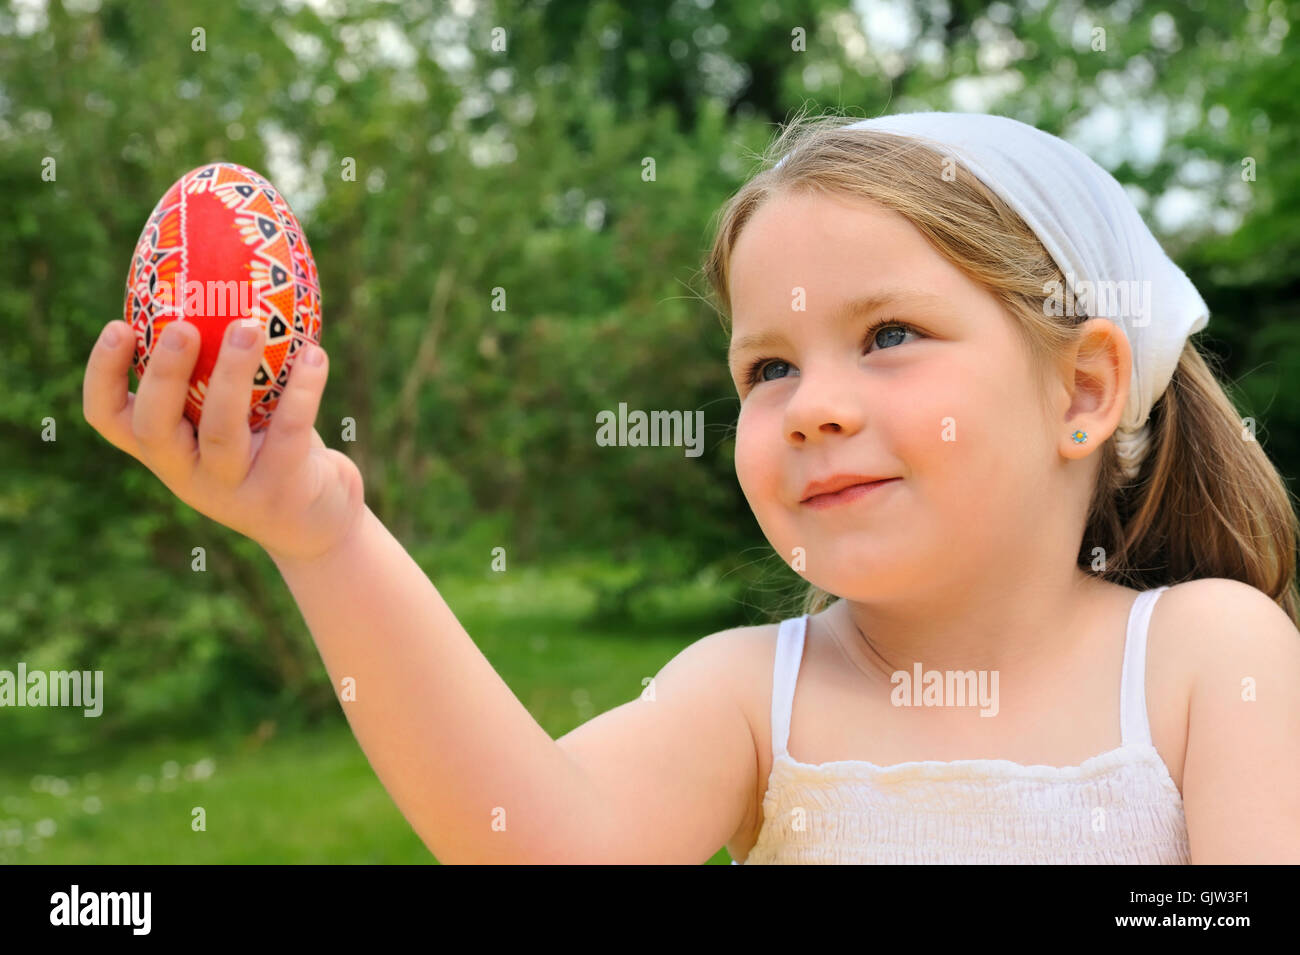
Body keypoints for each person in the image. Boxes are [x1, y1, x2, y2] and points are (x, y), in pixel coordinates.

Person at [82, 110, 1300, 864]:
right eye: (769, 364)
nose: (812, 402)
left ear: (1083, 391)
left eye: (887, 336)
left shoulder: (1200, 656)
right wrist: (321, 532)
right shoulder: (753, 697)